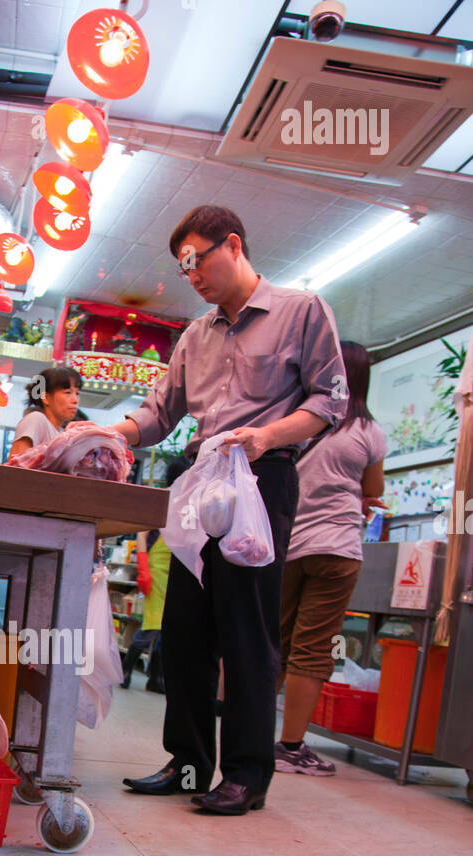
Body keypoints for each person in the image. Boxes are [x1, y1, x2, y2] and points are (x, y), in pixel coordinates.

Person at [115, 204, 347, 814]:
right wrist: (112, 434)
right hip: (200, 481)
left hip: (261, 477)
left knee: (247, 627)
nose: (191, 275)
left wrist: (269, 436)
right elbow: (160, 414)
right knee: (184, 628)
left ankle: (248, 773)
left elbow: (331, 399)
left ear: (234, 244)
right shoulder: (195, 335)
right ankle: (190, 765)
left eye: (197, 260)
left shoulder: (301, 311)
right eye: (182, 267)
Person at [275, 341, 386, 774]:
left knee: (276, 644)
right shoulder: (368, 433)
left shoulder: (297, 422)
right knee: (312, 650)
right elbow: (372, 491)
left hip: (287, 545)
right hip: (337, 549)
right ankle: (290, 747)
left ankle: (246, 736)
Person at [120, 530, 170, 692]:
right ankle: (125, 670)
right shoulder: (164, 505)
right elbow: (142, 533)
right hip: (156, 568)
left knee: (169, 627)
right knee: (153, 624)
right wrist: (143, 567)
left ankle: (156, 678)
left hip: (178, 567)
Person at [8, 366, 82, 459]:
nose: (75, 400)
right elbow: (15, 467)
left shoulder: (61, 434)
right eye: (67, 392)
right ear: (45, 397)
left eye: (77, 393)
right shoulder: (36, 419)